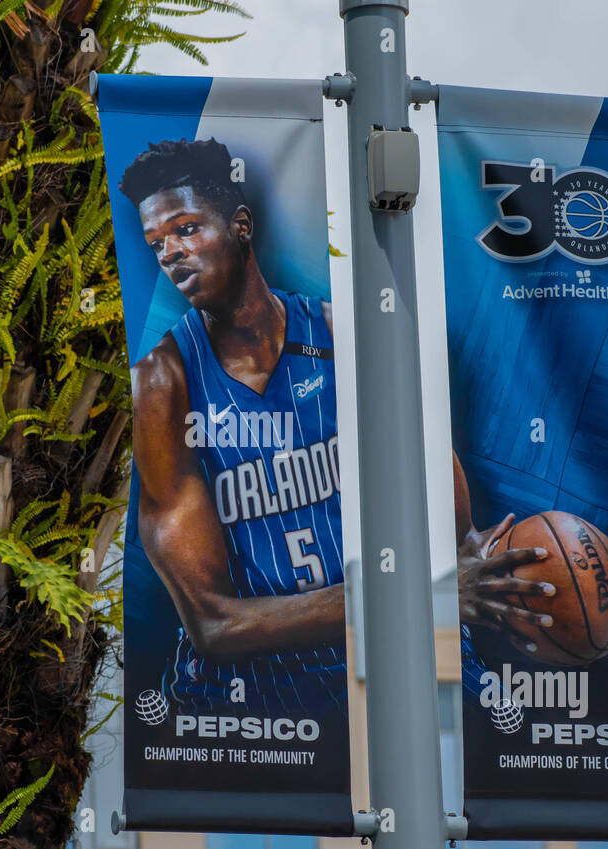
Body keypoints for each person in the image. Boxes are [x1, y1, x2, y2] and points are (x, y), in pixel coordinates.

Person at [120, 138, 554, 717]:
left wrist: (505, 566)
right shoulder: (161, 386)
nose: (171, 251)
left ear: (241, 225)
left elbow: (450, 535)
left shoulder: (348, 338)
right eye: (157, 243)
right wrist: (407, 597)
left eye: (187, 228)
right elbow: (214, 623)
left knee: (510, 750)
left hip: (389, 656)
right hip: (254, 701)